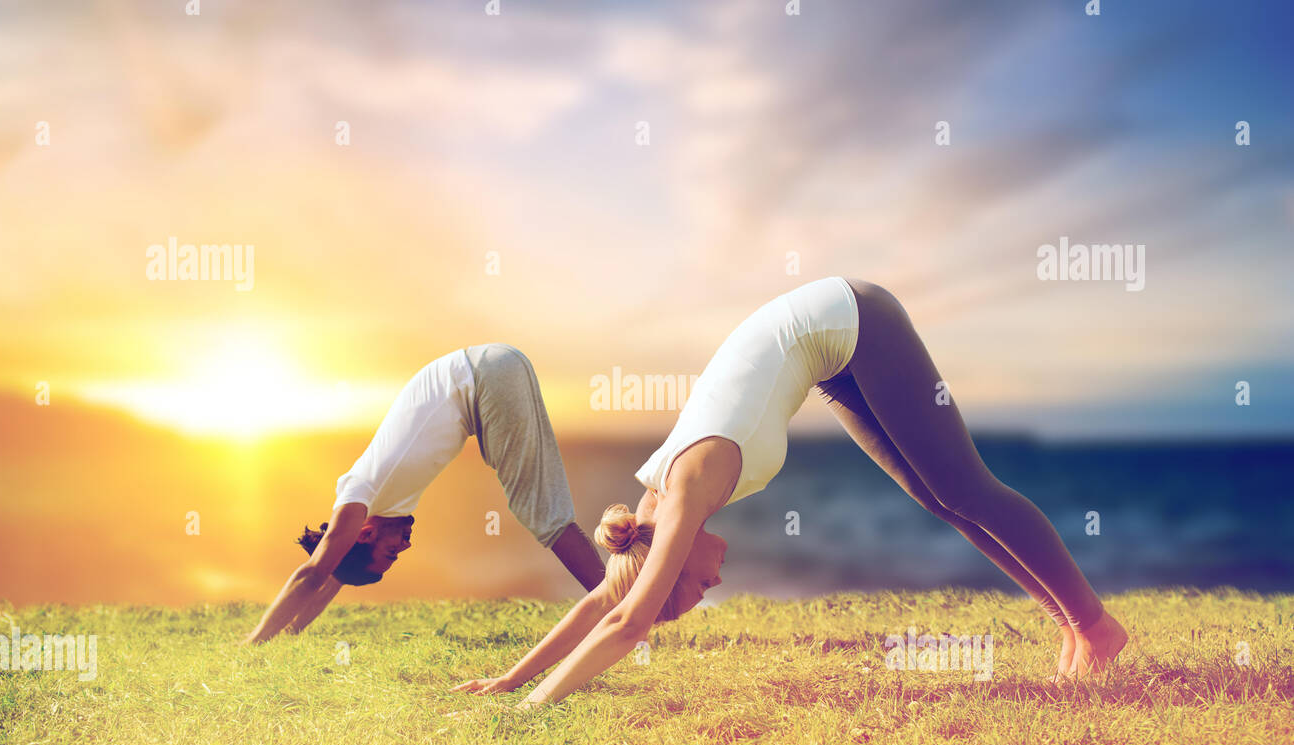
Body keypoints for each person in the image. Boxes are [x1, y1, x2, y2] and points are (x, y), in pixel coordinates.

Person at [454, 278, 1127, 705]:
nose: (708, 591)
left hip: (854, 319)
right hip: (829, 348)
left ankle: (1094, 626)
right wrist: (511, 678)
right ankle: (1072, 625)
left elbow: (625, 620)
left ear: (671, 559)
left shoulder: (685, 489)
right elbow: (604, 598)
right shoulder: (654, 511)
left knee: (965, 485)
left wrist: (531, 708)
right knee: (941, 498)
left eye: (685, 593)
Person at [242, 343, 605, 644]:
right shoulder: (372, 510)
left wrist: (255, 642)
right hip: (491, 370)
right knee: (543, 502)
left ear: (364, 533)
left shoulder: (359, 495)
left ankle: (621, 604)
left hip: (484, 380)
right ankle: (627, 596)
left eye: (390, 552)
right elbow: (333, 577)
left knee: (540, 511)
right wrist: (288, 635)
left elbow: (314, 575)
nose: (405, 547)